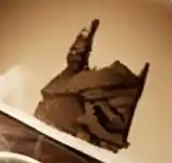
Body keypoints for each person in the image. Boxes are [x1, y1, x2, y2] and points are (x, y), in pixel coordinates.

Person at [34, 19, 149, 152]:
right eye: (74, 48)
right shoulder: (70, 79)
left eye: (78, 48)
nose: (74, 52)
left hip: (73, 144)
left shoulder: (114, 87)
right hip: (45, 131)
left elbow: (112, 123)